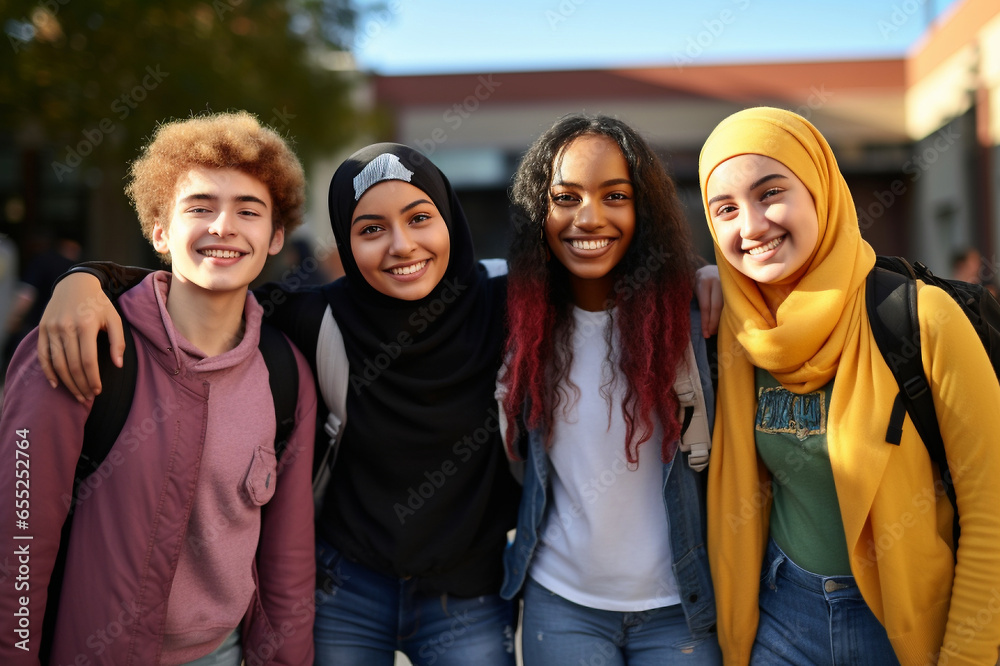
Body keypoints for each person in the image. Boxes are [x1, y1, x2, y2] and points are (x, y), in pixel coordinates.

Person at [35, 141, 723, 665]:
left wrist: (702, 278)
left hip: (470, 597)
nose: (401, 246)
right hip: (345, 592)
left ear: (449, 216)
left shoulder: (507, 300)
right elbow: (205, 283)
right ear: (345, 240)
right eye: (370, 229)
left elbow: (605, 264)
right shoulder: (314, 317)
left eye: (419, 217)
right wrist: (85, 279)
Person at [0, 111, 317, 664]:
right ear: (160, 230)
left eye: (249, 210)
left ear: (275, 238)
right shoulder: (82, 345)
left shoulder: (286, 374)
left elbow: (287, 563)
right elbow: (17, 547)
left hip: (224, 652)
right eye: (200, 207)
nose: (223, 226)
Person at [699, 106, 1000, 665]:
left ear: (820, 189)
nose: (752, 225)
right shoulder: (731, 330)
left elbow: (993, 508)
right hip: (778, 616)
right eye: (726, 209)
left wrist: (969, 655)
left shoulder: (920, 318)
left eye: (770, 193)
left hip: (899, 625)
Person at [498, 113, 722, 665]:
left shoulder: (698, 322)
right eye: (566, 198)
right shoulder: (517, 319)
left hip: (683, 611)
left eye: (614, 195)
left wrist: (721, 275)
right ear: (538, 211)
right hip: (561, 606)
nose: (588, 218)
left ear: (643, 208)